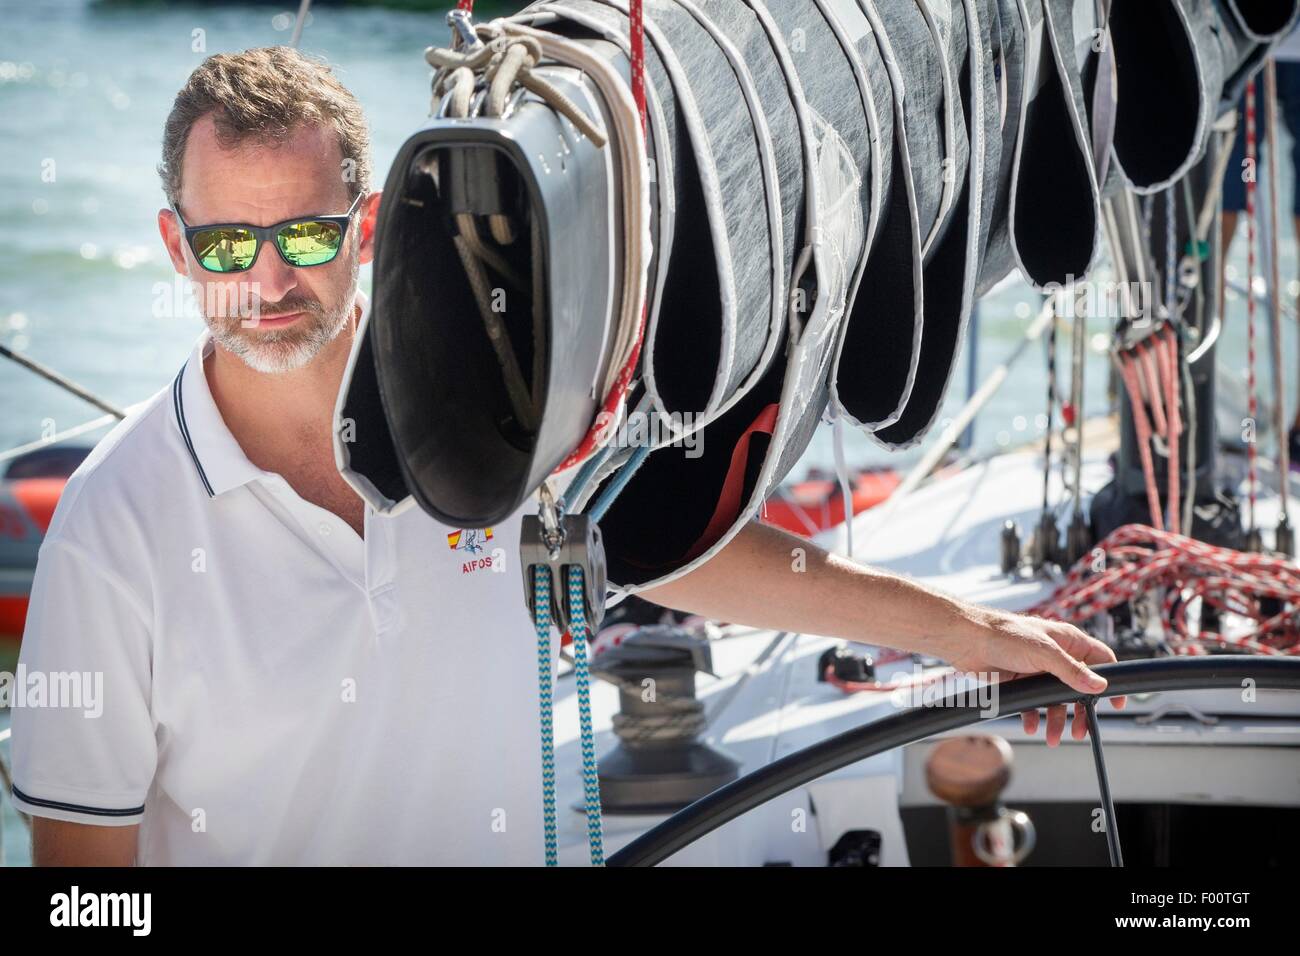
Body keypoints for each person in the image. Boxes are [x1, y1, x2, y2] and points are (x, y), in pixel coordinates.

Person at [10, 47, 1122, 866]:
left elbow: (676, 553)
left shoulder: (494, 418)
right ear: (175, 244)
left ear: (364, 229)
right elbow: (77, 882)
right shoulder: (116, 526)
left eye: (303, 237)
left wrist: (971, 633)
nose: (266, 281)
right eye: (225, 246)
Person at [1221, 36, 1300, 464]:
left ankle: (1188, 419)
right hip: (1242, 32)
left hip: (1237, 32)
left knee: (1217, 203)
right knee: (1217, 205)